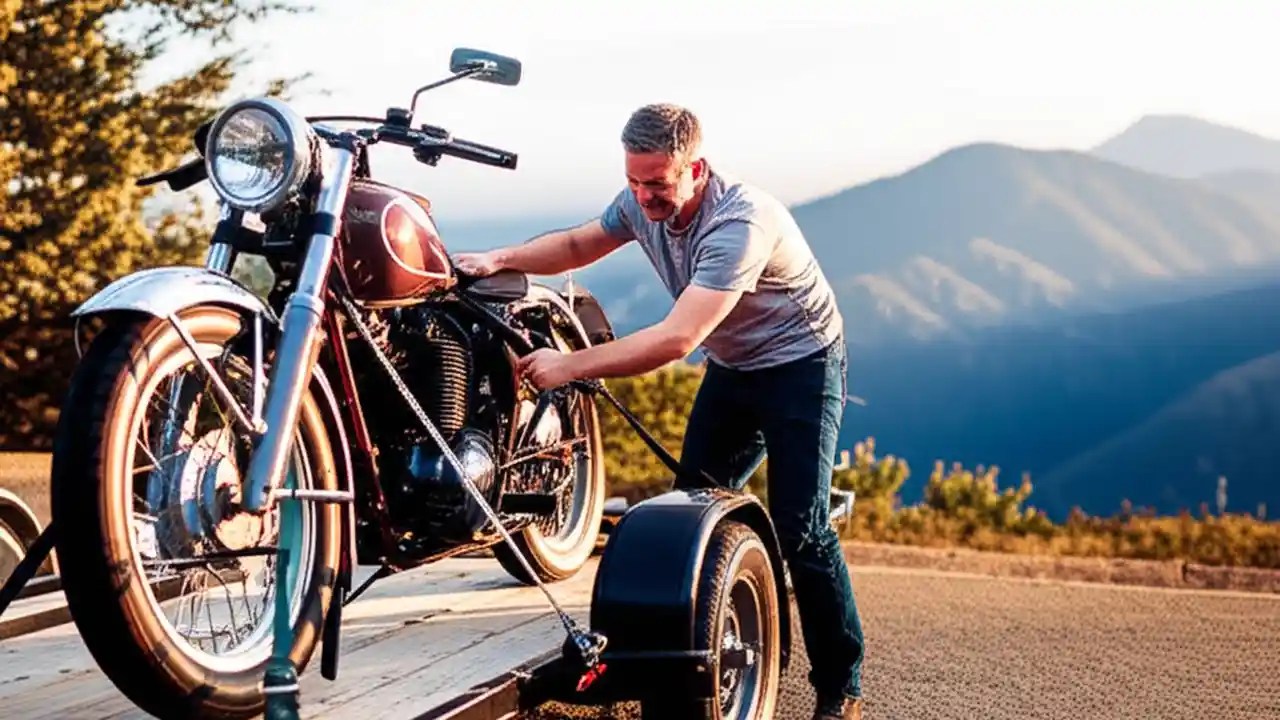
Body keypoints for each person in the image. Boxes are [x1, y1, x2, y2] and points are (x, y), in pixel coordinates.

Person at [452, 103, 866, 720]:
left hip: (801, 365)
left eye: (658, 183)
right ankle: (700, 644)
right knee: (695, 501)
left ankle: (841, 686)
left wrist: (568, 365)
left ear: (695, 168)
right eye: (634, 181)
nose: (643, 196)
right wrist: (499, 258)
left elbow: (676, 340)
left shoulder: (740, 224)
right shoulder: (639, 200)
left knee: (800, 527)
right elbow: (574, 244)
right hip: (735, 366)